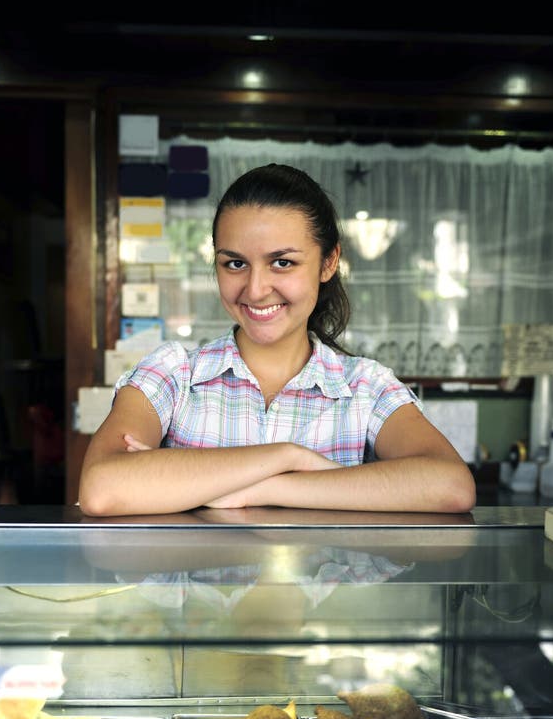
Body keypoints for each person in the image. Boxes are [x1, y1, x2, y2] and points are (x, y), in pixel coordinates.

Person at [79, 163, 476, 516]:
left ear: (329, 262)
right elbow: (102, 489)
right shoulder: (174, 374)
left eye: (282, 262)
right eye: (235, 263)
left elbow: (450, 486)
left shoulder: (365, 388)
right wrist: (288, 457)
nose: (255, 289)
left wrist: (263, 489)